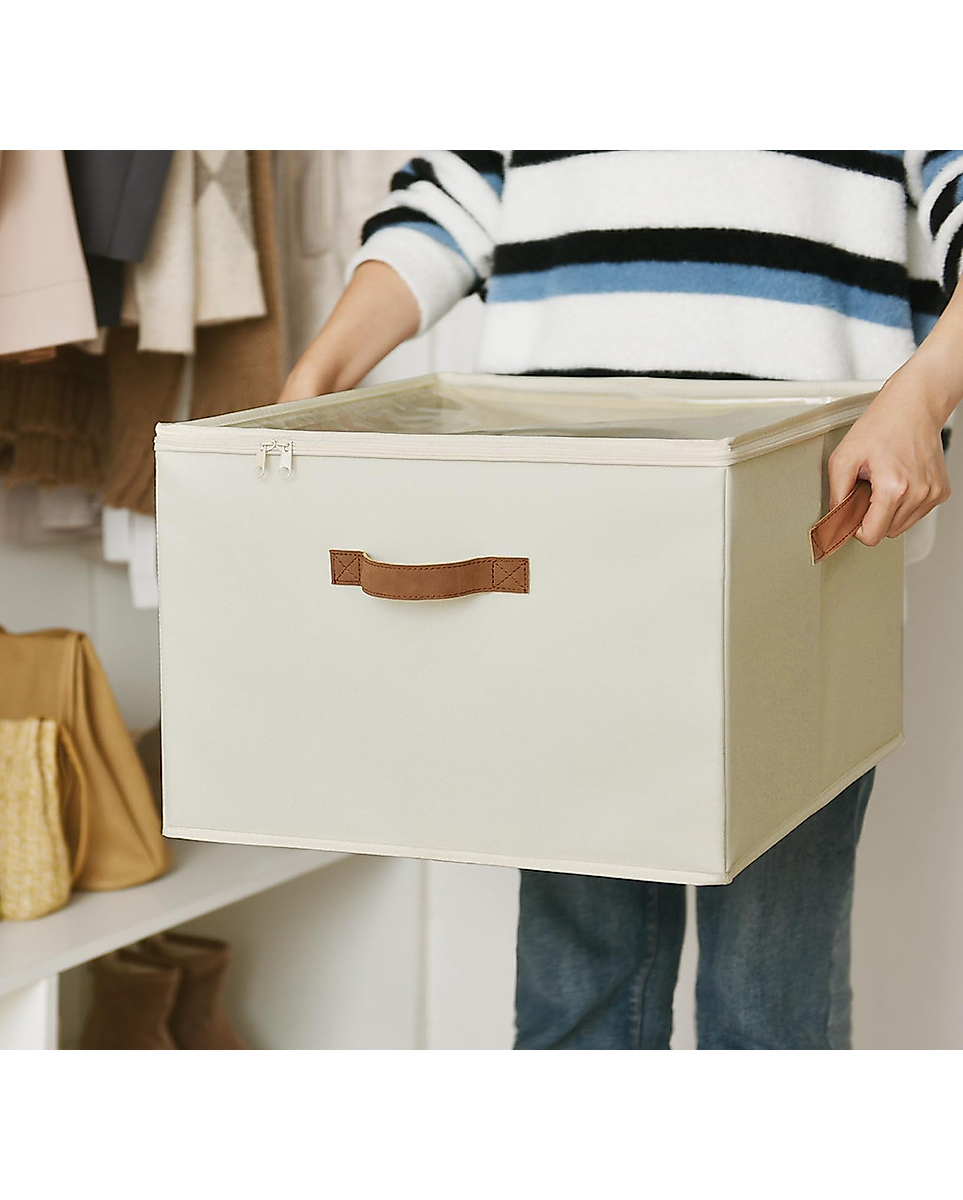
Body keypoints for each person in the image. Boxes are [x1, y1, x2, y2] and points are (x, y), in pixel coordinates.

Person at [276, 150, 963, 1050]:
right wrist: (322, 367)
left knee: (770, 1005)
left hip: (796, 550)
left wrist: (925, 393)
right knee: (576, 998)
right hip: (565, 548)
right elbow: (452, 197)